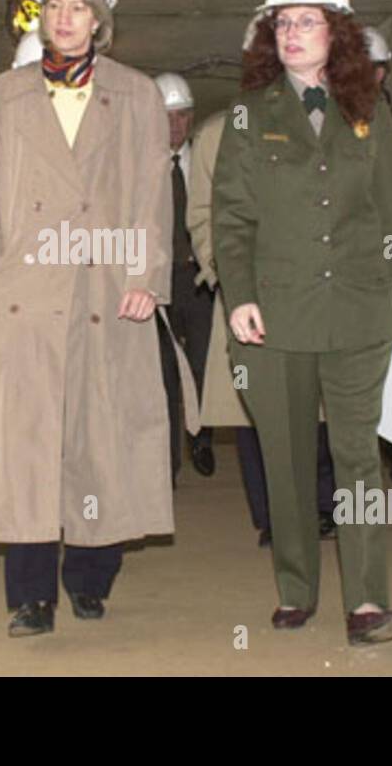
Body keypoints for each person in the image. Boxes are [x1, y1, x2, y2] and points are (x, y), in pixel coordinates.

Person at [0, 0, 175, 637]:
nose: (66, 17)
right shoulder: (2, 96)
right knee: (26, 443)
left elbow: (150, 192)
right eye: (54, 5)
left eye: (79, 7)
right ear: (40, 14)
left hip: (106, 288)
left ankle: (89, 575)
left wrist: (146, 274)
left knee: (99, 437)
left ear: (101, 18)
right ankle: (29, 595)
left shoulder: (135, 93)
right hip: (24, 293)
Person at [212, 0, 392, 645]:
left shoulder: (371, 113)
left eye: (306, 20)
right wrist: (239, 297)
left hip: (362, 310)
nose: (292, 33)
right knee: (288, 456)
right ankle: (296, 586)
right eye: (281, 23)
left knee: (359, 454)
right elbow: (231, 219)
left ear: (337, 32)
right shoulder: (248, 117)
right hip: (275, 316)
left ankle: (367, 600)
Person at [186, 105, 271, 546]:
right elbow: (202, 214)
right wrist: (227, 277)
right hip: (245, 290)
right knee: (251, 409)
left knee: (315, 408)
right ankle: (271, 517)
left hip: (312, 293)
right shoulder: (219, 136)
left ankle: (320, 507)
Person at [154, 72, 216, 481]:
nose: (176, 125)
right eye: (168, 117)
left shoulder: (209, 162)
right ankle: (167, 461)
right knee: (161, 373)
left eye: (182, 116)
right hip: (158, 283)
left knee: (203, 365)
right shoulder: (140, 167)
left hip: (200, 282)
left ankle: (202, 438)